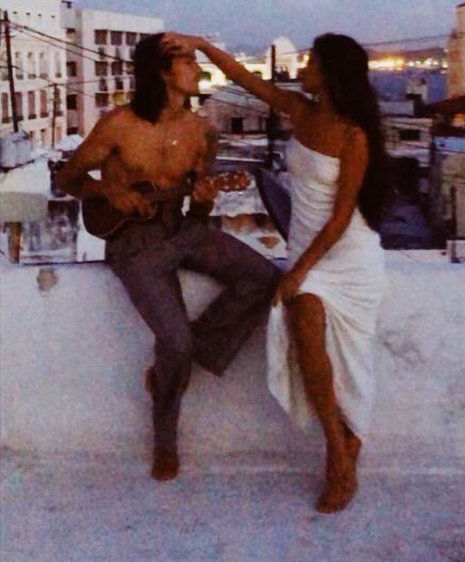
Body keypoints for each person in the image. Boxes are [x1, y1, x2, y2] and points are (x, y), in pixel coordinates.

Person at [163, 32, 389, 512]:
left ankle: (344, 452)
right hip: (309, 251)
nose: (303, 67)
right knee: (305, 330)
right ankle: (338, 447)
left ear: (329, 73)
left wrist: (296, 271)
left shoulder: (354, 136)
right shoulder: (301, 112)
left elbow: (342, 215)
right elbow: (243, 77)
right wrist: (202, 44)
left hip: (346, 257)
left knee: (327, 338)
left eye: (311, 61)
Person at [56, 34, 280, 482]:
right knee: (174, 342)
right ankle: (165, 437)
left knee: (261, 276)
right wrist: (109, 190)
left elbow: (197, 210)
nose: (197, 70)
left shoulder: (202, 132)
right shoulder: (120, 124)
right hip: (132, 246)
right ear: (162, 72)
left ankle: (185, 358)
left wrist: (204, 197)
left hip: (180, 230)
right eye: (188, 62)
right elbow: (68, 177)